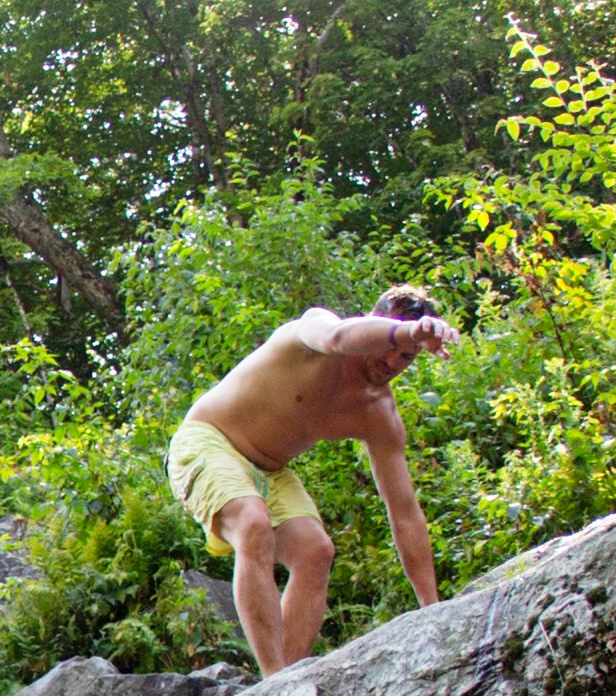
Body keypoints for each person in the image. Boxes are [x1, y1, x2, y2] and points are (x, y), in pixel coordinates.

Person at [168, 287, 457, 674]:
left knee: (314, 551)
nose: (392, 360)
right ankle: (273, 684)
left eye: (406, 356)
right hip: (208, 438)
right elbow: (339, 337)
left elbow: (404, 515)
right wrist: (406, 333)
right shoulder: (318, 333)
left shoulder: (378, 413)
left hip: (270, 469)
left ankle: (286, 679)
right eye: (389, 342)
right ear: (372, 323)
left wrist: (433, 611)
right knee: (254, 524)